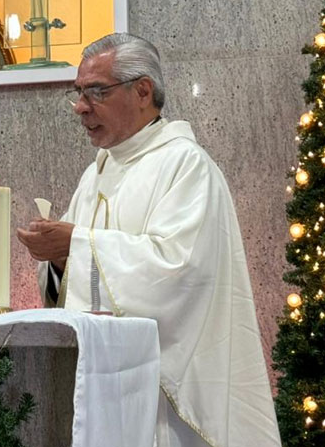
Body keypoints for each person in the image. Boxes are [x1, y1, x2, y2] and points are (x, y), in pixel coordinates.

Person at [16, 33, 280, 446]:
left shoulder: (185, 165)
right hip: (107, 386)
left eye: (96, 92)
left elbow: (179, 272)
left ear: (142, 91)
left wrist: (77, 246)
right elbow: (73, 273)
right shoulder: (97, 172)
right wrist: (58, 258)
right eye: (78, 93)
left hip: (166, 398)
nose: (80, 107)